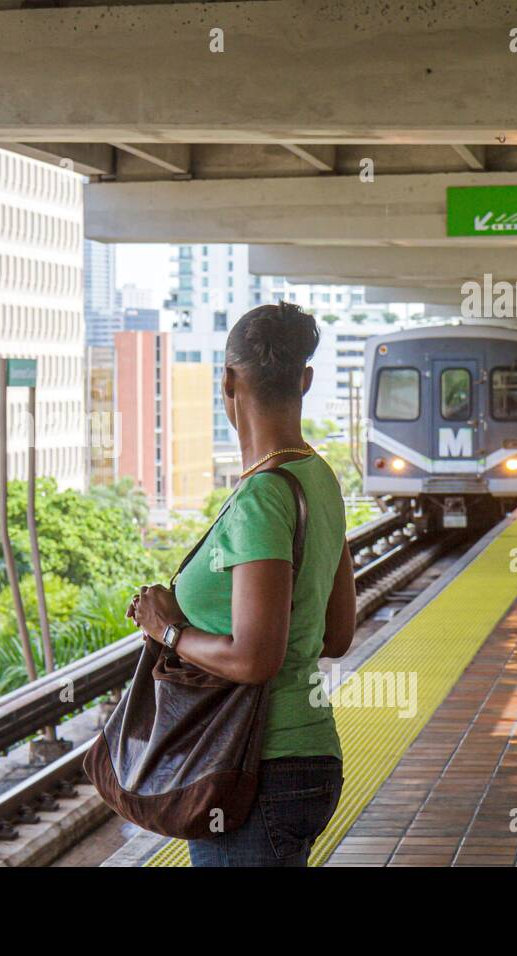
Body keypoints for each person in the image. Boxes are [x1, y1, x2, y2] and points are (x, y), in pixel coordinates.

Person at [127, 301, 355, 867]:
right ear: (304, 379)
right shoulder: (318, 477)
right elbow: (338, 634)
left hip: (252, 769)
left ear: (226, 381)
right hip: (309, 753)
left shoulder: (259, 498)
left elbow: (255, 659)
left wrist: (169, 630)